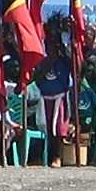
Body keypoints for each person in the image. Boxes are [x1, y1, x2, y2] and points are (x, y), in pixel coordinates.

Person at [33, 30, 73, 168]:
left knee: (59, 129)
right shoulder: (42, 62)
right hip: (45, 100)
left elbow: (76, 68)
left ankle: (57, 156)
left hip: (60, 99)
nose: (50, 48)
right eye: (47, 45)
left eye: (52, 46)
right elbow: (37, 80)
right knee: (48, 130)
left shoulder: (65, 62)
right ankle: (46, 156)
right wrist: (47, 65)